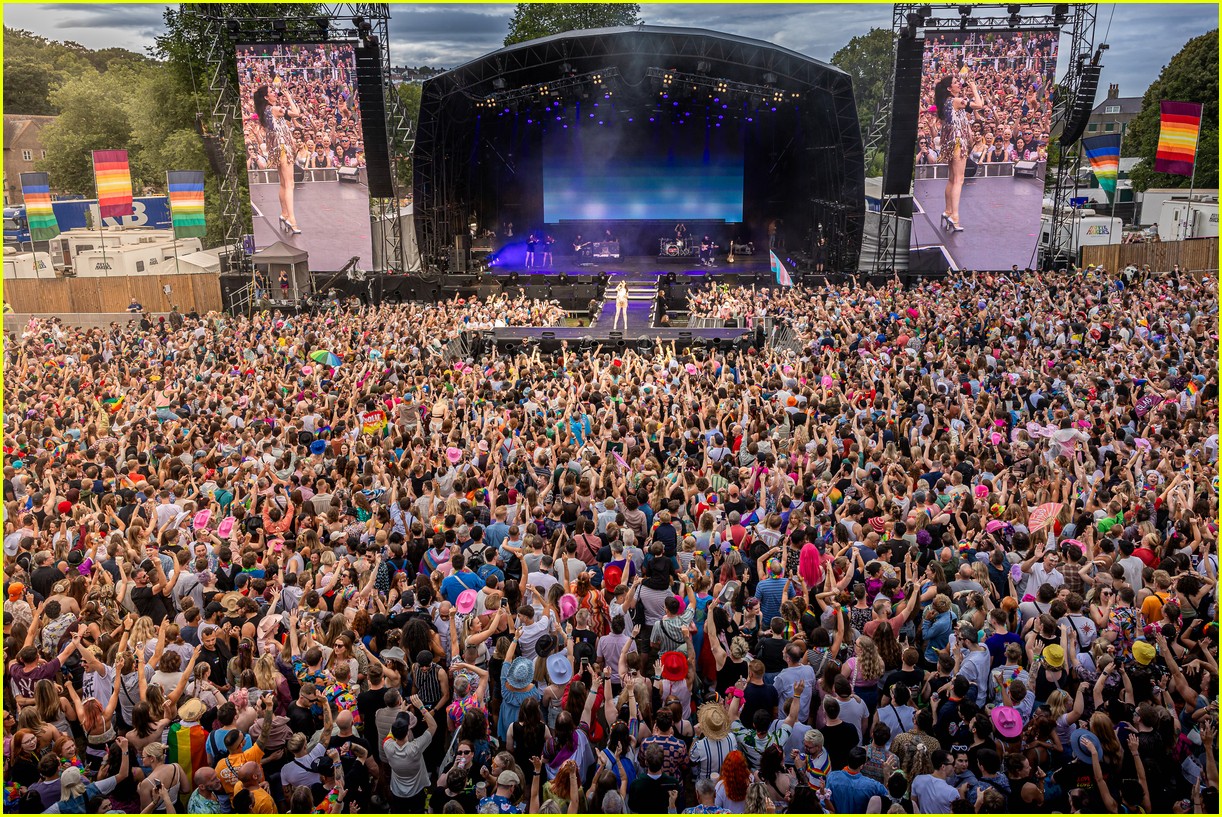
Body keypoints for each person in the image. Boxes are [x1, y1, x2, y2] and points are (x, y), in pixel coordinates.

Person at [932, 70, 984, 233]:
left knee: (952, 178)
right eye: (955, 82)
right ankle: (954, 215)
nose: (958, 84)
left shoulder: (946, 102)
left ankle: (948, 211)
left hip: (950, 143)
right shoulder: (955, 101)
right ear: (949, 88)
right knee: (959, 180)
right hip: (958, 143)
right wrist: (974, 87)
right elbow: (979, 105)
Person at [252, 82, 302, 235]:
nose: (275, 93)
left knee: (283, 183)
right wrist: (288, 96)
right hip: (282, 148)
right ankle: (292, 219)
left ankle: (284, 213)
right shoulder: (274, 109)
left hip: (276, 149)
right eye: (271, 91)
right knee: (289, 184)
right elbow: (296, 112)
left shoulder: (266, 110)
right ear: (266, 97)